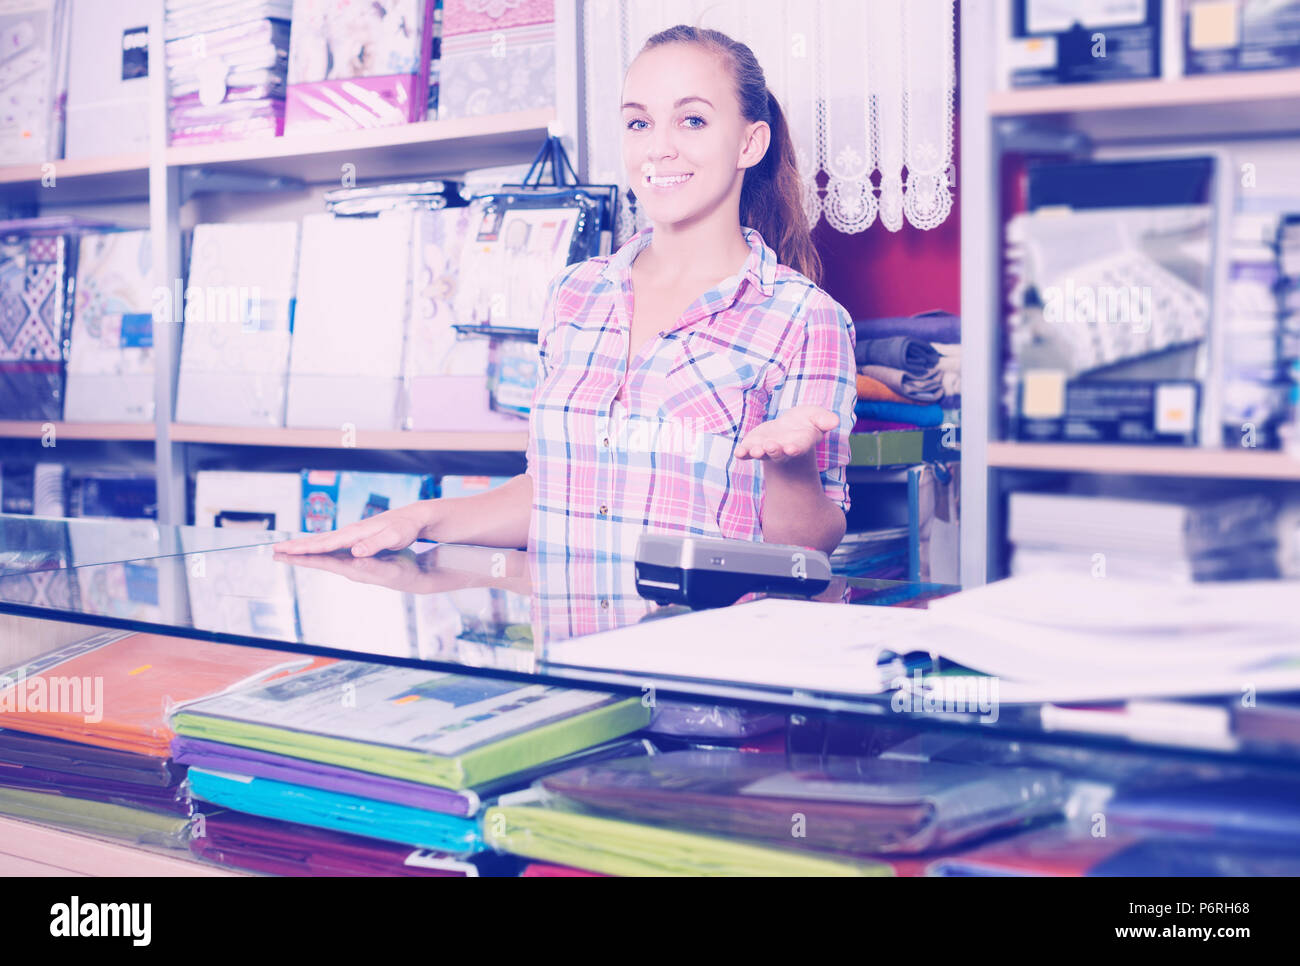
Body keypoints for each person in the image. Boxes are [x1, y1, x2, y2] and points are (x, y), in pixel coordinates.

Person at [275, 24, 856, 561]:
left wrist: (791, 464)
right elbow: (552, 494)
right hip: (566, 646)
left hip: (703, 655)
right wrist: (418, 519)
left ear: (750, 144)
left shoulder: (806, 319)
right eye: (638, 122)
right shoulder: (576, 293)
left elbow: (808, 548)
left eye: (693, 121)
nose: (659, 148)